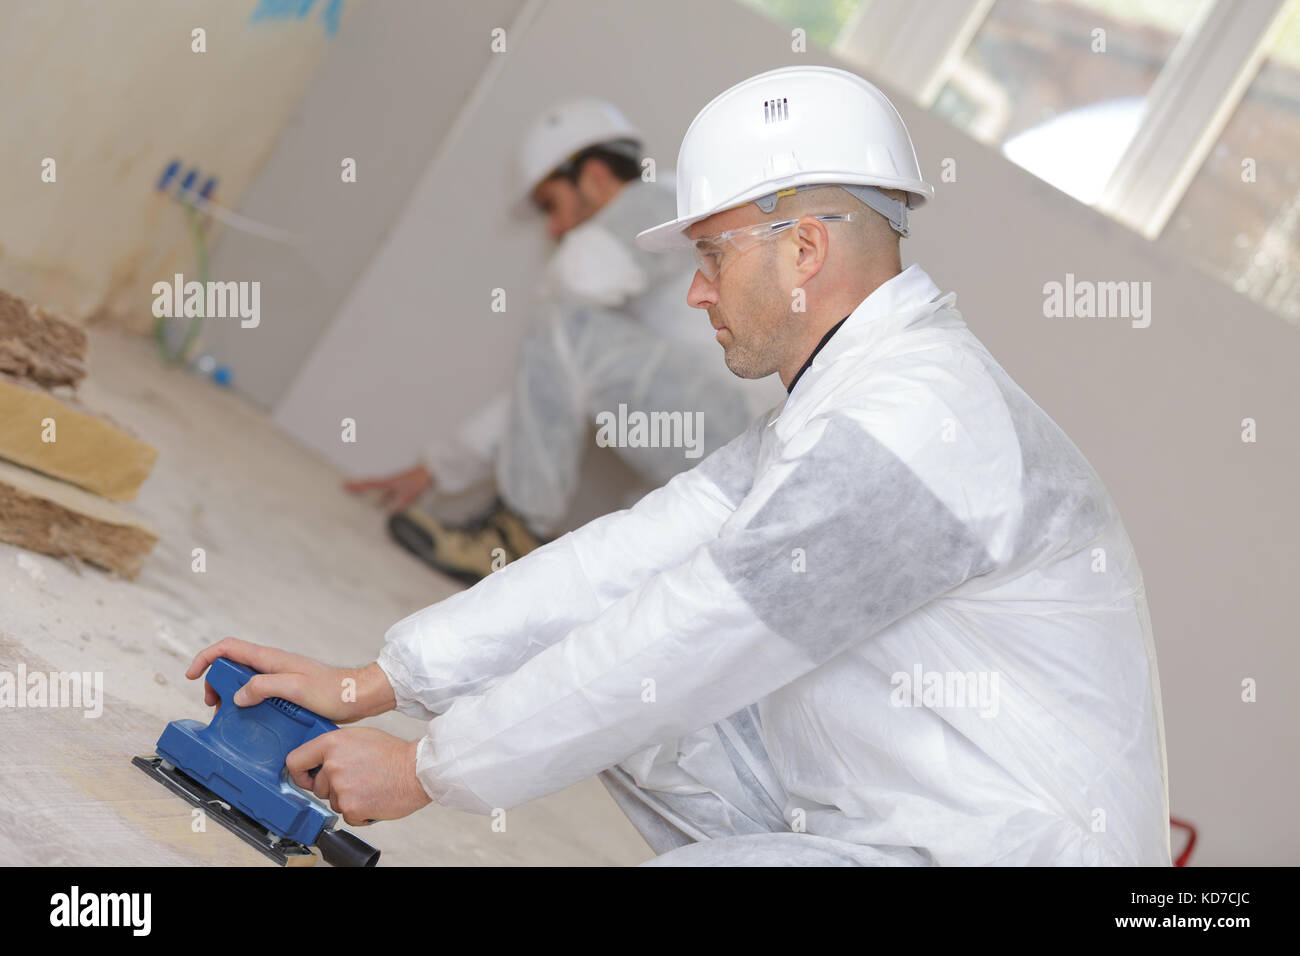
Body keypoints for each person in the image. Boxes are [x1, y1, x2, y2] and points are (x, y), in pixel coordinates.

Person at [192, 66, 1170, 866]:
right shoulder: (845, 399)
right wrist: (376, 682)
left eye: (710, 254)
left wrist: (426, 770)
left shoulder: (913, 426)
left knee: (654, 673)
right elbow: (633, 556)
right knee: (639, 702)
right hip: (909, 810)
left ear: (803, 250)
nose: (696, 290)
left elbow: (697, 626)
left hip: (1007, 848)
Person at [345, 96, 782, 584]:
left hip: (740, 433)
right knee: (629, 565)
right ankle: (520, 541)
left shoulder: (657, 204)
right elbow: (549, 385)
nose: (554, 230)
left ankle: (517, 533)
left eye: (551, 206)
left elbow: (564, 318)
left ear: (594, 176)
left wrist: (444, 465)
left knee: (562, 324)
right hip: (742, 451)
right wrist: (439, 468)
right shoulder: (674, 218)